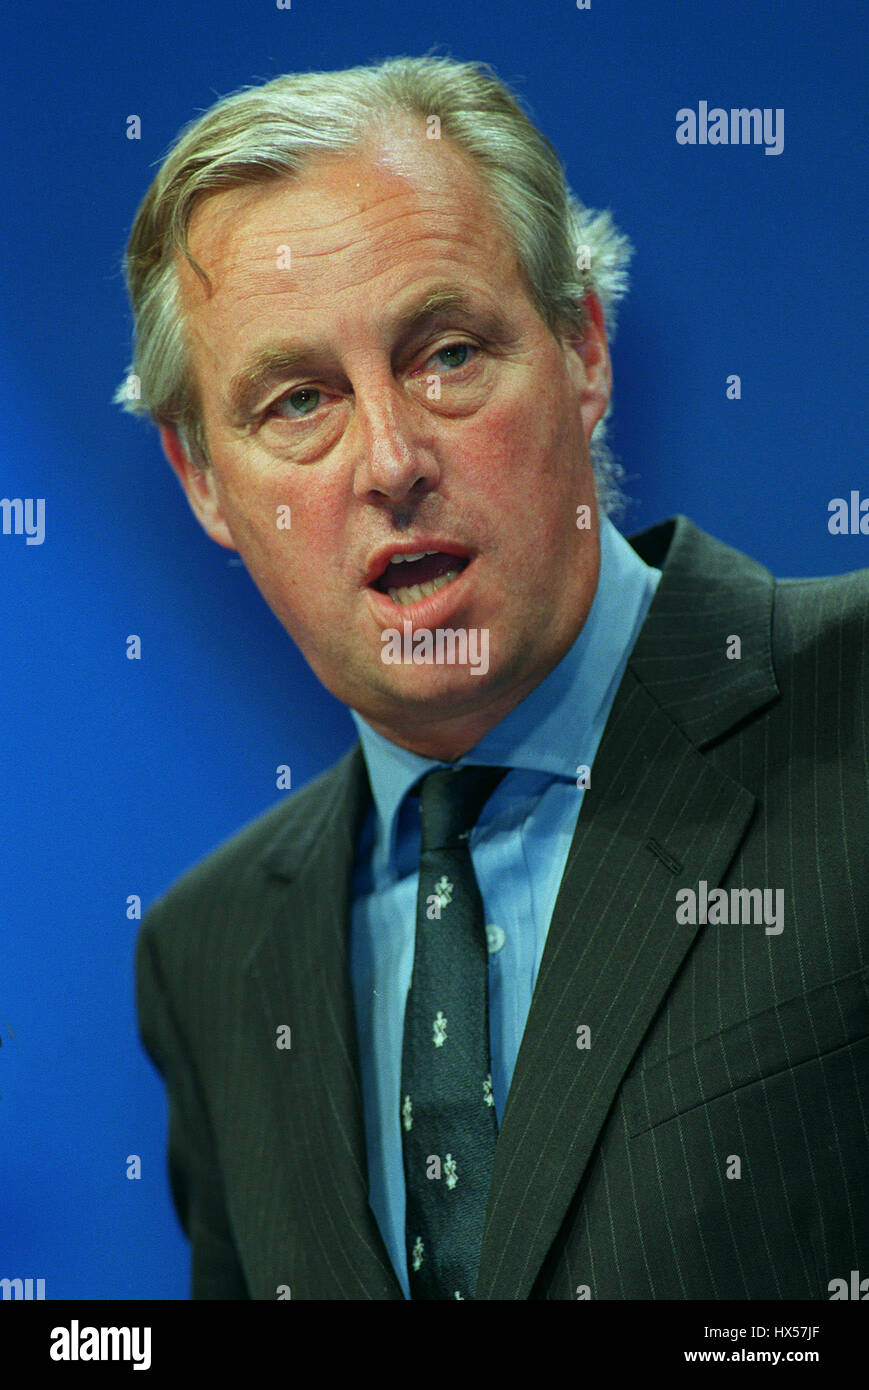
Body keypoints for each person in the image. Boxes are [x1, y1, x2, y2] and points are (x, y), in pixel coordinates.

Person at [117, 54, 869, 1300]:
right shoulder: (209, 957)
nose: (391, 458)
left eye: (447, 353)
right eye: (299, 399)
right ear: (203, 480)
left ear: (582, 346)